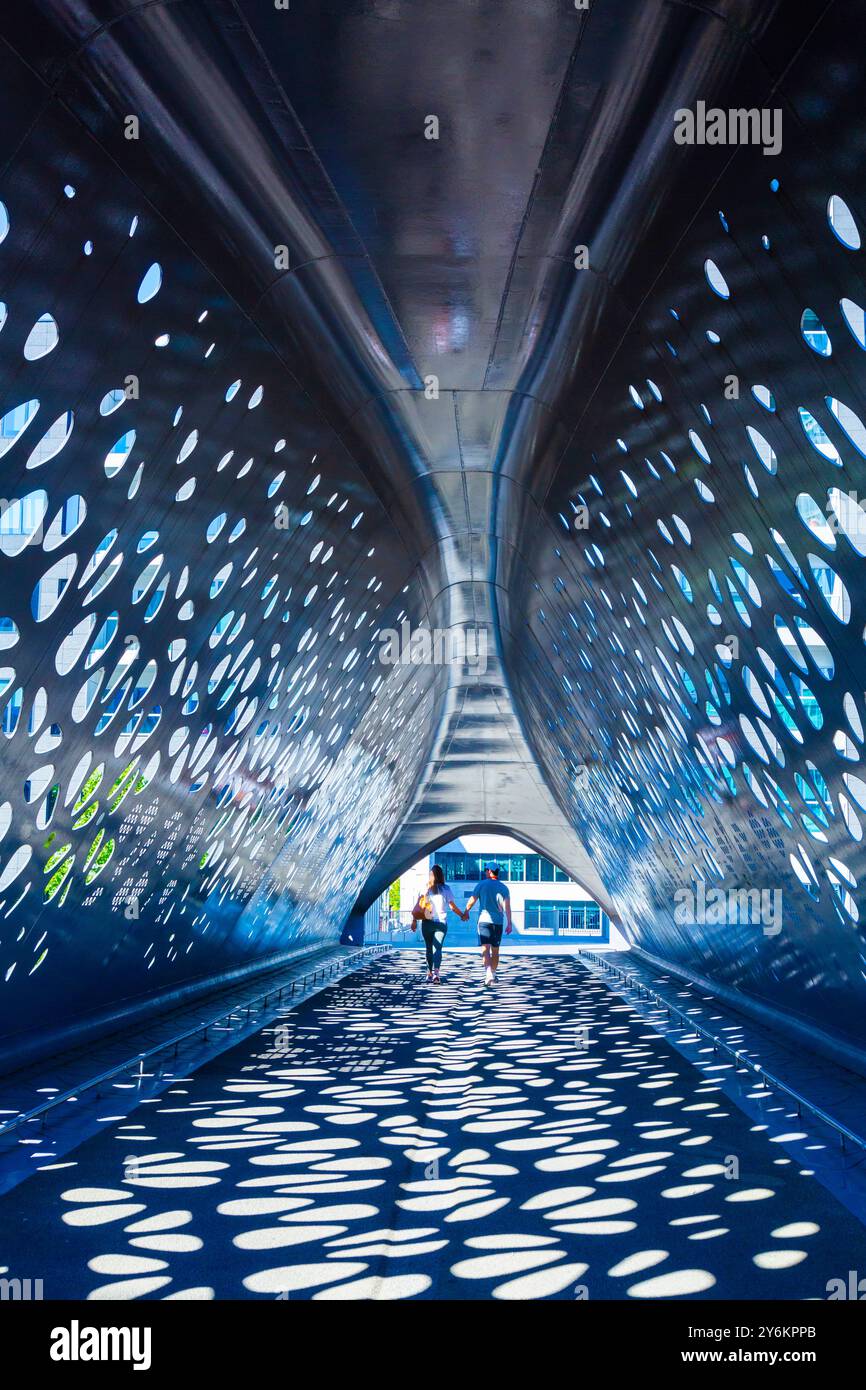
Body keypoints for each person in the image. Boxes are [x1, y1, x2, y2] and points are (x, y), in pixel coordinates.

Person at [410, 864, 464, 983]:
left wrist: (414, 921)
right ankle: (436, 974)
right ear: (441, 875)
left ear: (431, 876)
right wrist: (462, 915)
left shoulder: (425, 888)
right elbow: (452, 907)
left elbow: (418, 906)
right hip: (441, 923)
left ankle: (429, 973)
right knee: (437, 948)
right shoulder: (446, 889)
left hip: (427, 922)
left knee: (429, 948)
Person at [463, 862, 512, 987]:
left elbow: (472, 900)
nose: (485, 871)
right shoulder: (504, 887)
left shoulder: (481, 884)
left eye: (486, 869)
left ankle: (488, 974)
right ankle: (493, 974)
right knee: (495, 950)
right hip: (498, 923)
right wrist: (509, 923)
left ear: (490, 871)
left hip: (484, 921)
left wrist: (466, 912)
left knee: (485, 949)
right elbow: (507, 907)